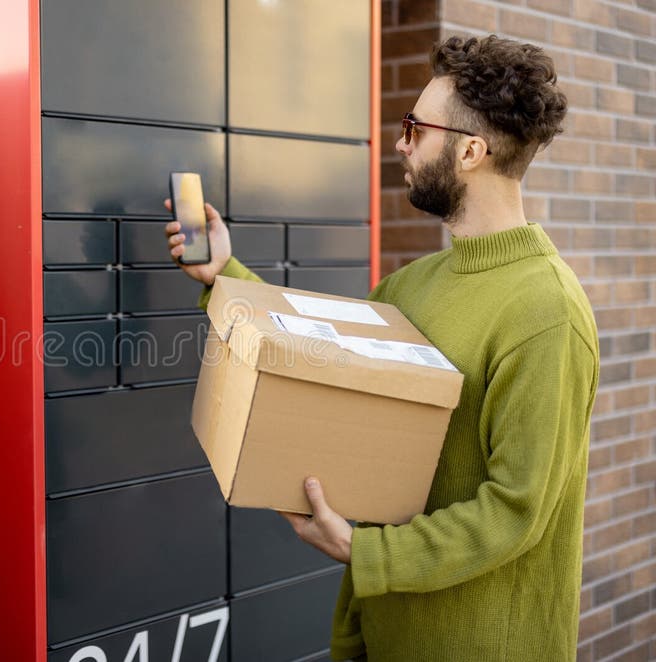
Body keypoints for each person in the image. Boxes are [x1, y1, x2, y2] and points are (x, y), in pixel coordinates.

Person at [164, 35, 599, 661]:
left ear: (470, 151)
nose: (400, 142)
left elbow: (514, 514)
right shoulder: (412, 285)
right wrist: (224, 273)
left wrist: (363, 552)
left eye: (413, 128)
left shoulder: (547, 313)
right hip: (386, 635)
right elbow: (327, 359)